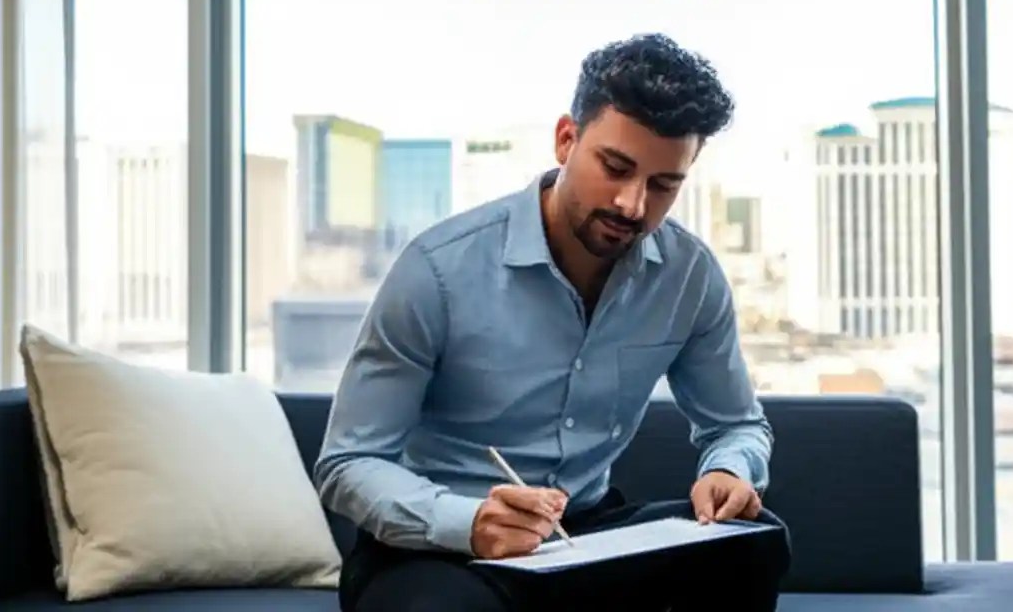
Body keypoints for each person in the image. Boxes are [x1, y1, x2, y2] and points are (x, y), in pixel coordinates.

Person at [314, 32, 791, 612]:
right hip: (440, 548)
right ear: (567, 140)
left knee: (750, 542)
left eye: (663, 185)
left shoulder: (689, 276)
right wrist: (469, 522)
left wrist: (729, 471)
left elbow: (737, 425)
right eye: (615, 167)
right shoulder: (437, 269)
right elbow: (347, 464)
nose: (633, 204)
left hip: (584, 537)